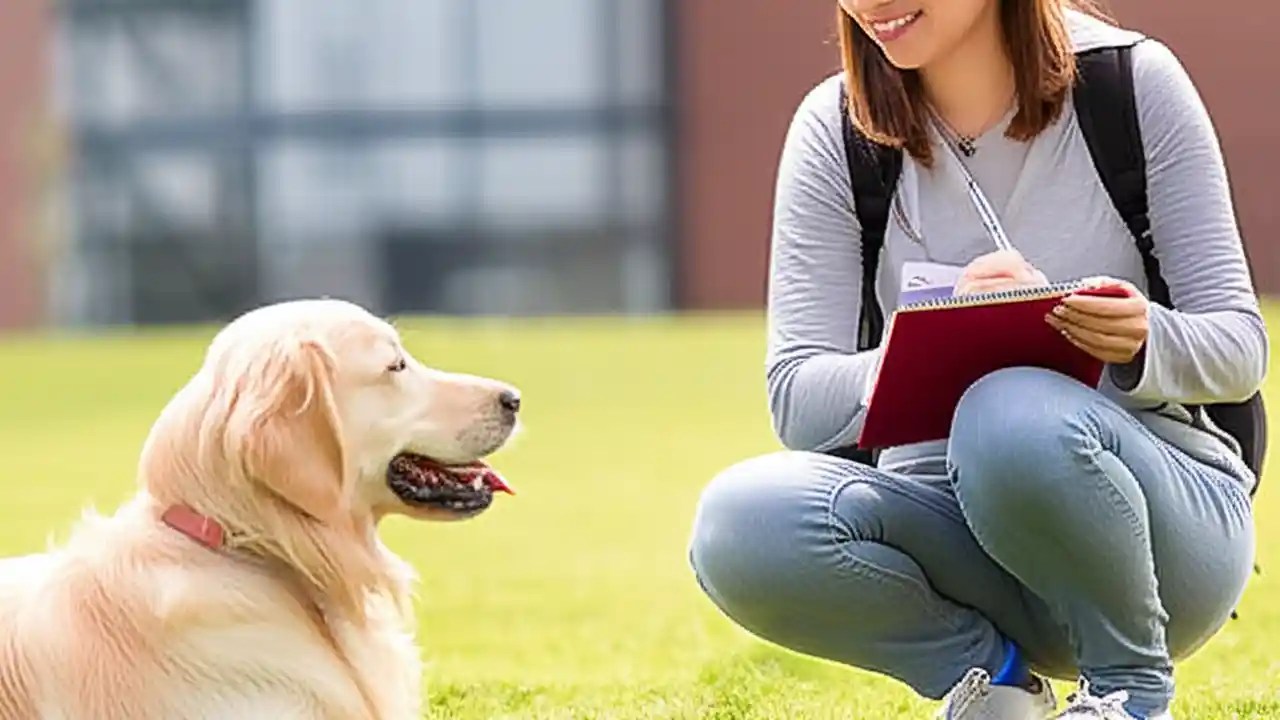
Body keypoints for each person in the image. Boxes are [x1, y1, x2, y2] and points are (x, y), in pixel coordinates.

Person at [686, 1, 1267, 719]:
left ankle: (1130, 691)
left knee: (1009, 415)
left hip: (1158, 541)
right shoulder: (834, 128)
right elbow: (798, 400)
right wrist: (942, 337)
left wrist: (1143, 335)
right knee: (738, 522)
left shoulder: (1132, 83)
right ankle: (999, 686)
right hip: (953, 533)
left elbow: (1240, 347)